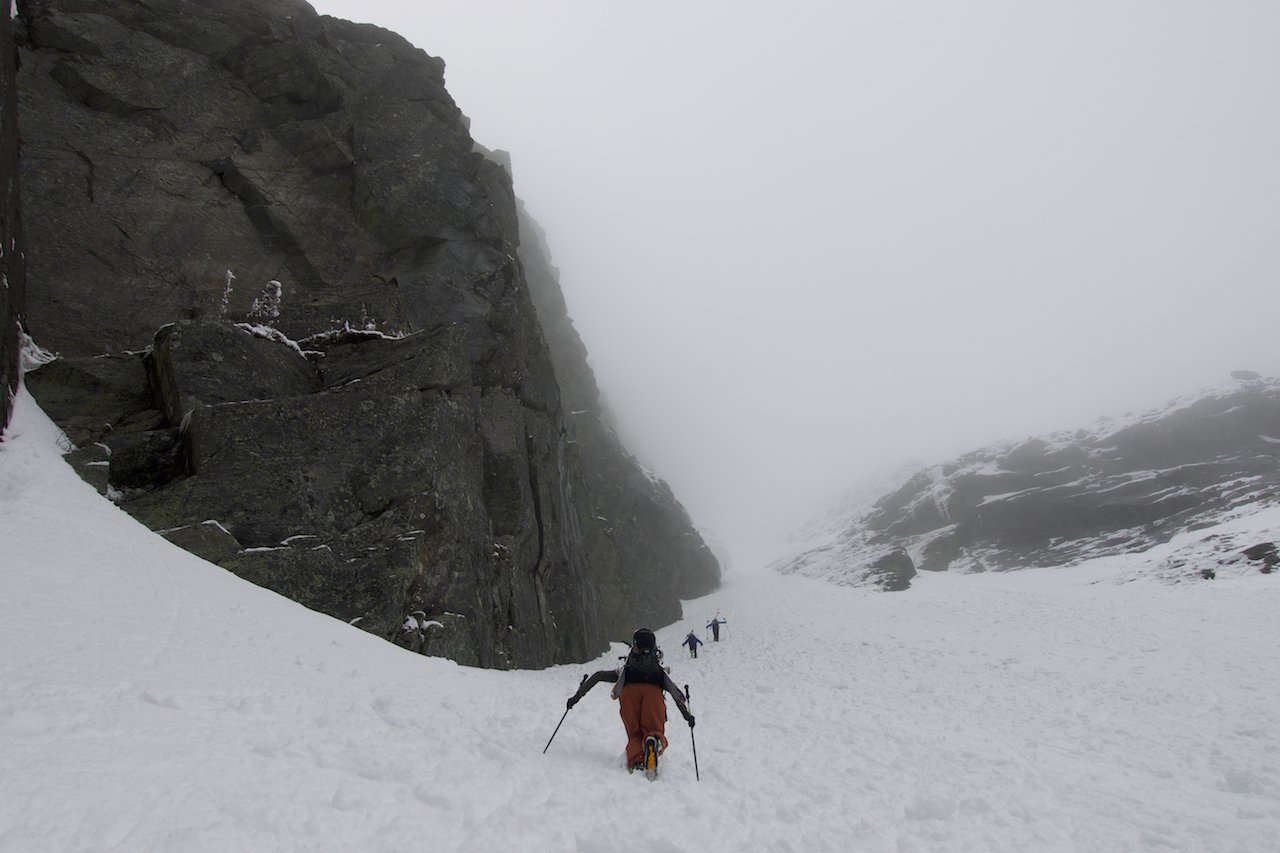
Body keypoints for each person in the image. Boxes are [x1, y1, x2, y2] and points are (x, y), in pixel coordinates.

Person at [566, 628, 695, 773]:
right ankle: (654, 741)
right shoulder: (657, 671)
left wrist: (576, 697)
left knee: (634, 734)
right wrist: (687, 715)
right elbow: (674, 691)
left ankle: (637, 761)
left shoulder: (628, 669)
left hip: (628, 693)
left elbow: (598, 675)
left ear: (635, 646)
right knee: (653, 730)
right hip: (653, 694)